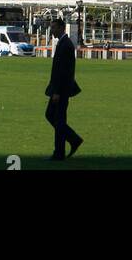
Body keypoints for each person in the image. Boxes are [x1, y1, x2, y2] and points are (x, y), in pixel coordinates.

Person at [45, 17, 83, 161]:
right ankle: (70, 142)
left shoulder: (65, 45)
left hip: (60, 90)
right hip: (61, 89)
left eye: (53, 27)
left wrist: (57, 92)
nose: (52, 30)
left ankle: (62, 149)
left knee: (54, 117)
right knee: (55, 118)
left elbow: (63, 72)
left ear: (61, 28)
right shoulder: (64, 43)